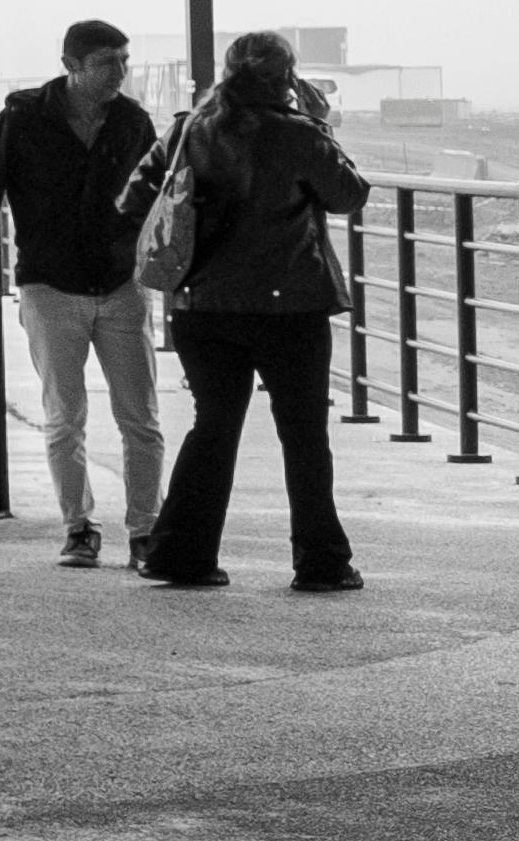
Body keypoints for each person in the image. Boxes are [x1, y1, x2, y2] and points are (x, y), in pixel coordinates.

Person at [134, 31, 365, 593]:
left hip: (201, 306)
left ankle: (181, 555)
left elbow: (138, 194)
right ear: (287, 77)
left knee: (213, 427)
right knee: (304, 435)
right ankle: (321, 563)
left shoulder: (189, 127)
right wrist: (321, 124)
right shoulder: (299, 135)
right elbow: (349, 194)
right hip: (290, 309)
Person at [0, 19, 167, 567]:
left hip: (122, 285)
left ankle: (147, 531)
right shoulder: (24, 119)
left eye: (125, 59)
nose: (120, 72)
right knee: (64, 416)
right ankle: (80, 528)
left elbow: (160, 202)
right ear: (71, 67)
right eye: (107, 61)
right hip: (49, 286)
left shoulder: (133, 122)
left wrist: (164, 269)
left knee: (140, 419)